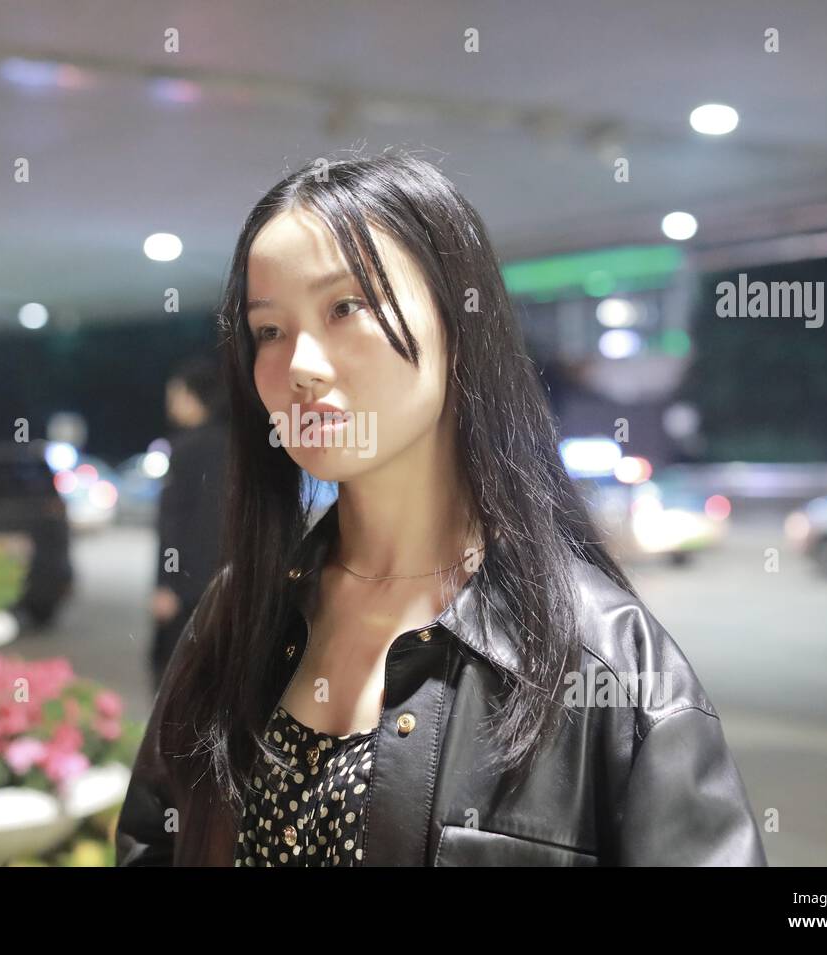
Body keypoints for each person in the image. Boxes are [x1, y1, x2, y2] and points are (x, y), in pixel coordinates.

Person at [116, 151, 767, 866]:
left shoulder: (607, 659)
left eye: (345, 307)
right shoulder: (237, 612)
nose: (298, 364)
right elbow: (152, 840)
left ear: (461, 322)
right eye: (268, 329)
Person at [148, 355, 229, 696]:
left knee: (173, 680)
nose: (171, 402)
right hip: (230, 585)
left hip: (186, 589)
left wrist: (166, 584)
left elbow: (174, 522)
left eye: (176, 394)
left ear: (196, 396)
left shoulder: (185, 449)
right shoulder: (242, 446)